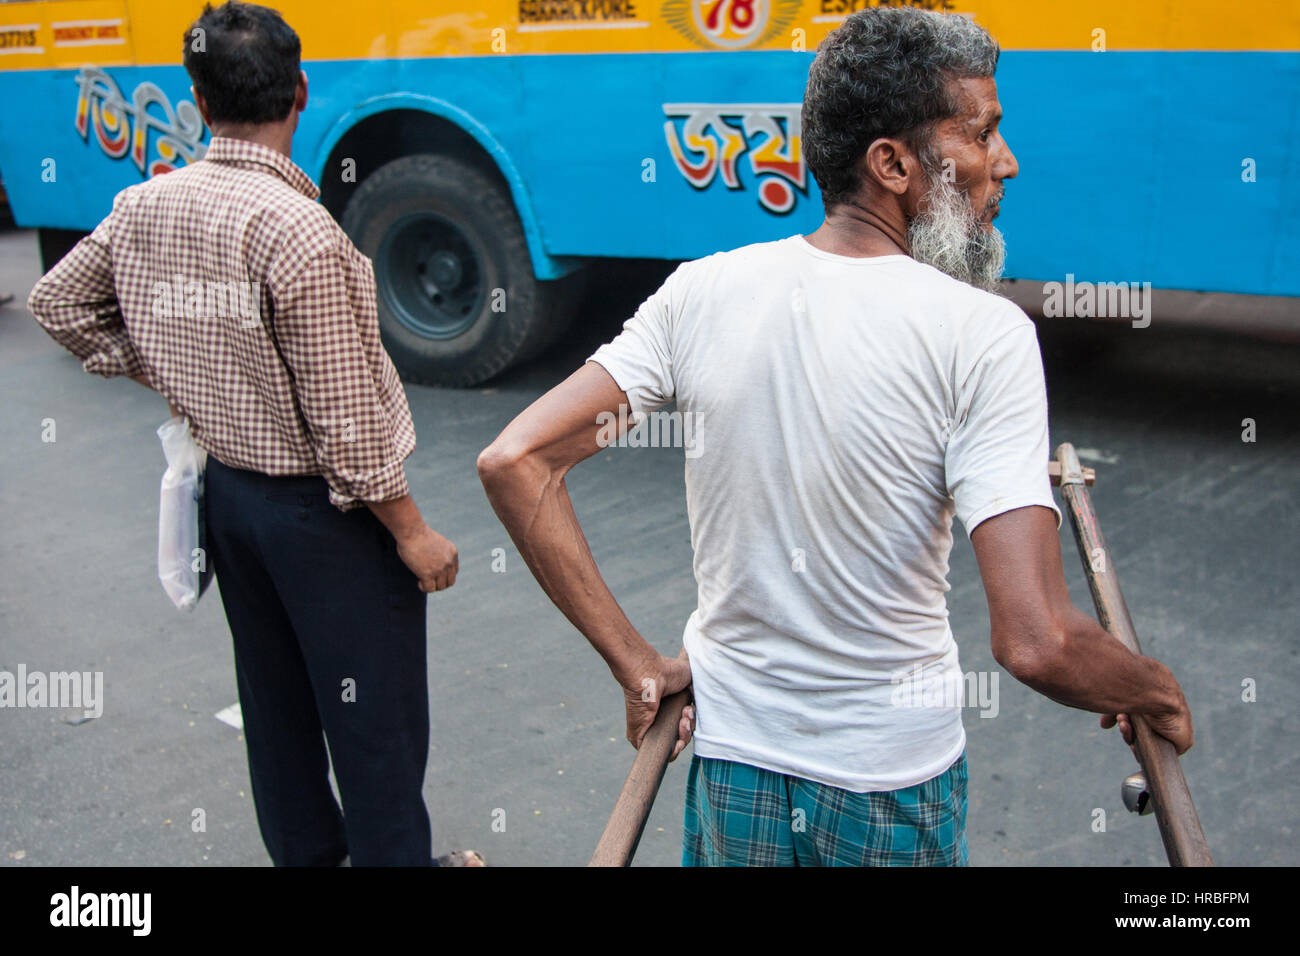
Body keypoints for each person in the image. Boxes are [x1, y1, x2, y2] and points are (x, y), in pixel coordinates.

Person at [477, 7, 1193, 867]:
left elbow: (518, 460)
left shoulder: (702, 292)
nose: (1006, 163)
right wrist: (1153, 688)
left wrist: (639, 666)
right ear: (890, 163)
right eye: (983, 133)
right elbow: (1040, 642)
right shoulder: (981, 334)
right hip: (889, 792)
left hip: (733, 772)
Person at [27, 0, 475, 867]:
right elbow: (345, 424)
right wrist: (413, 534)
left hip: (229, 504)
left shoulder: (144, 203)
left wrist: (166, 368)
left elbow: (59, 303)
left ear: (196, 100)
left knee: (276, 715)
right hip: (326, 523)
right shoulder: (300, 231)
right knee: (374, 736)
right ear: (300, 91)